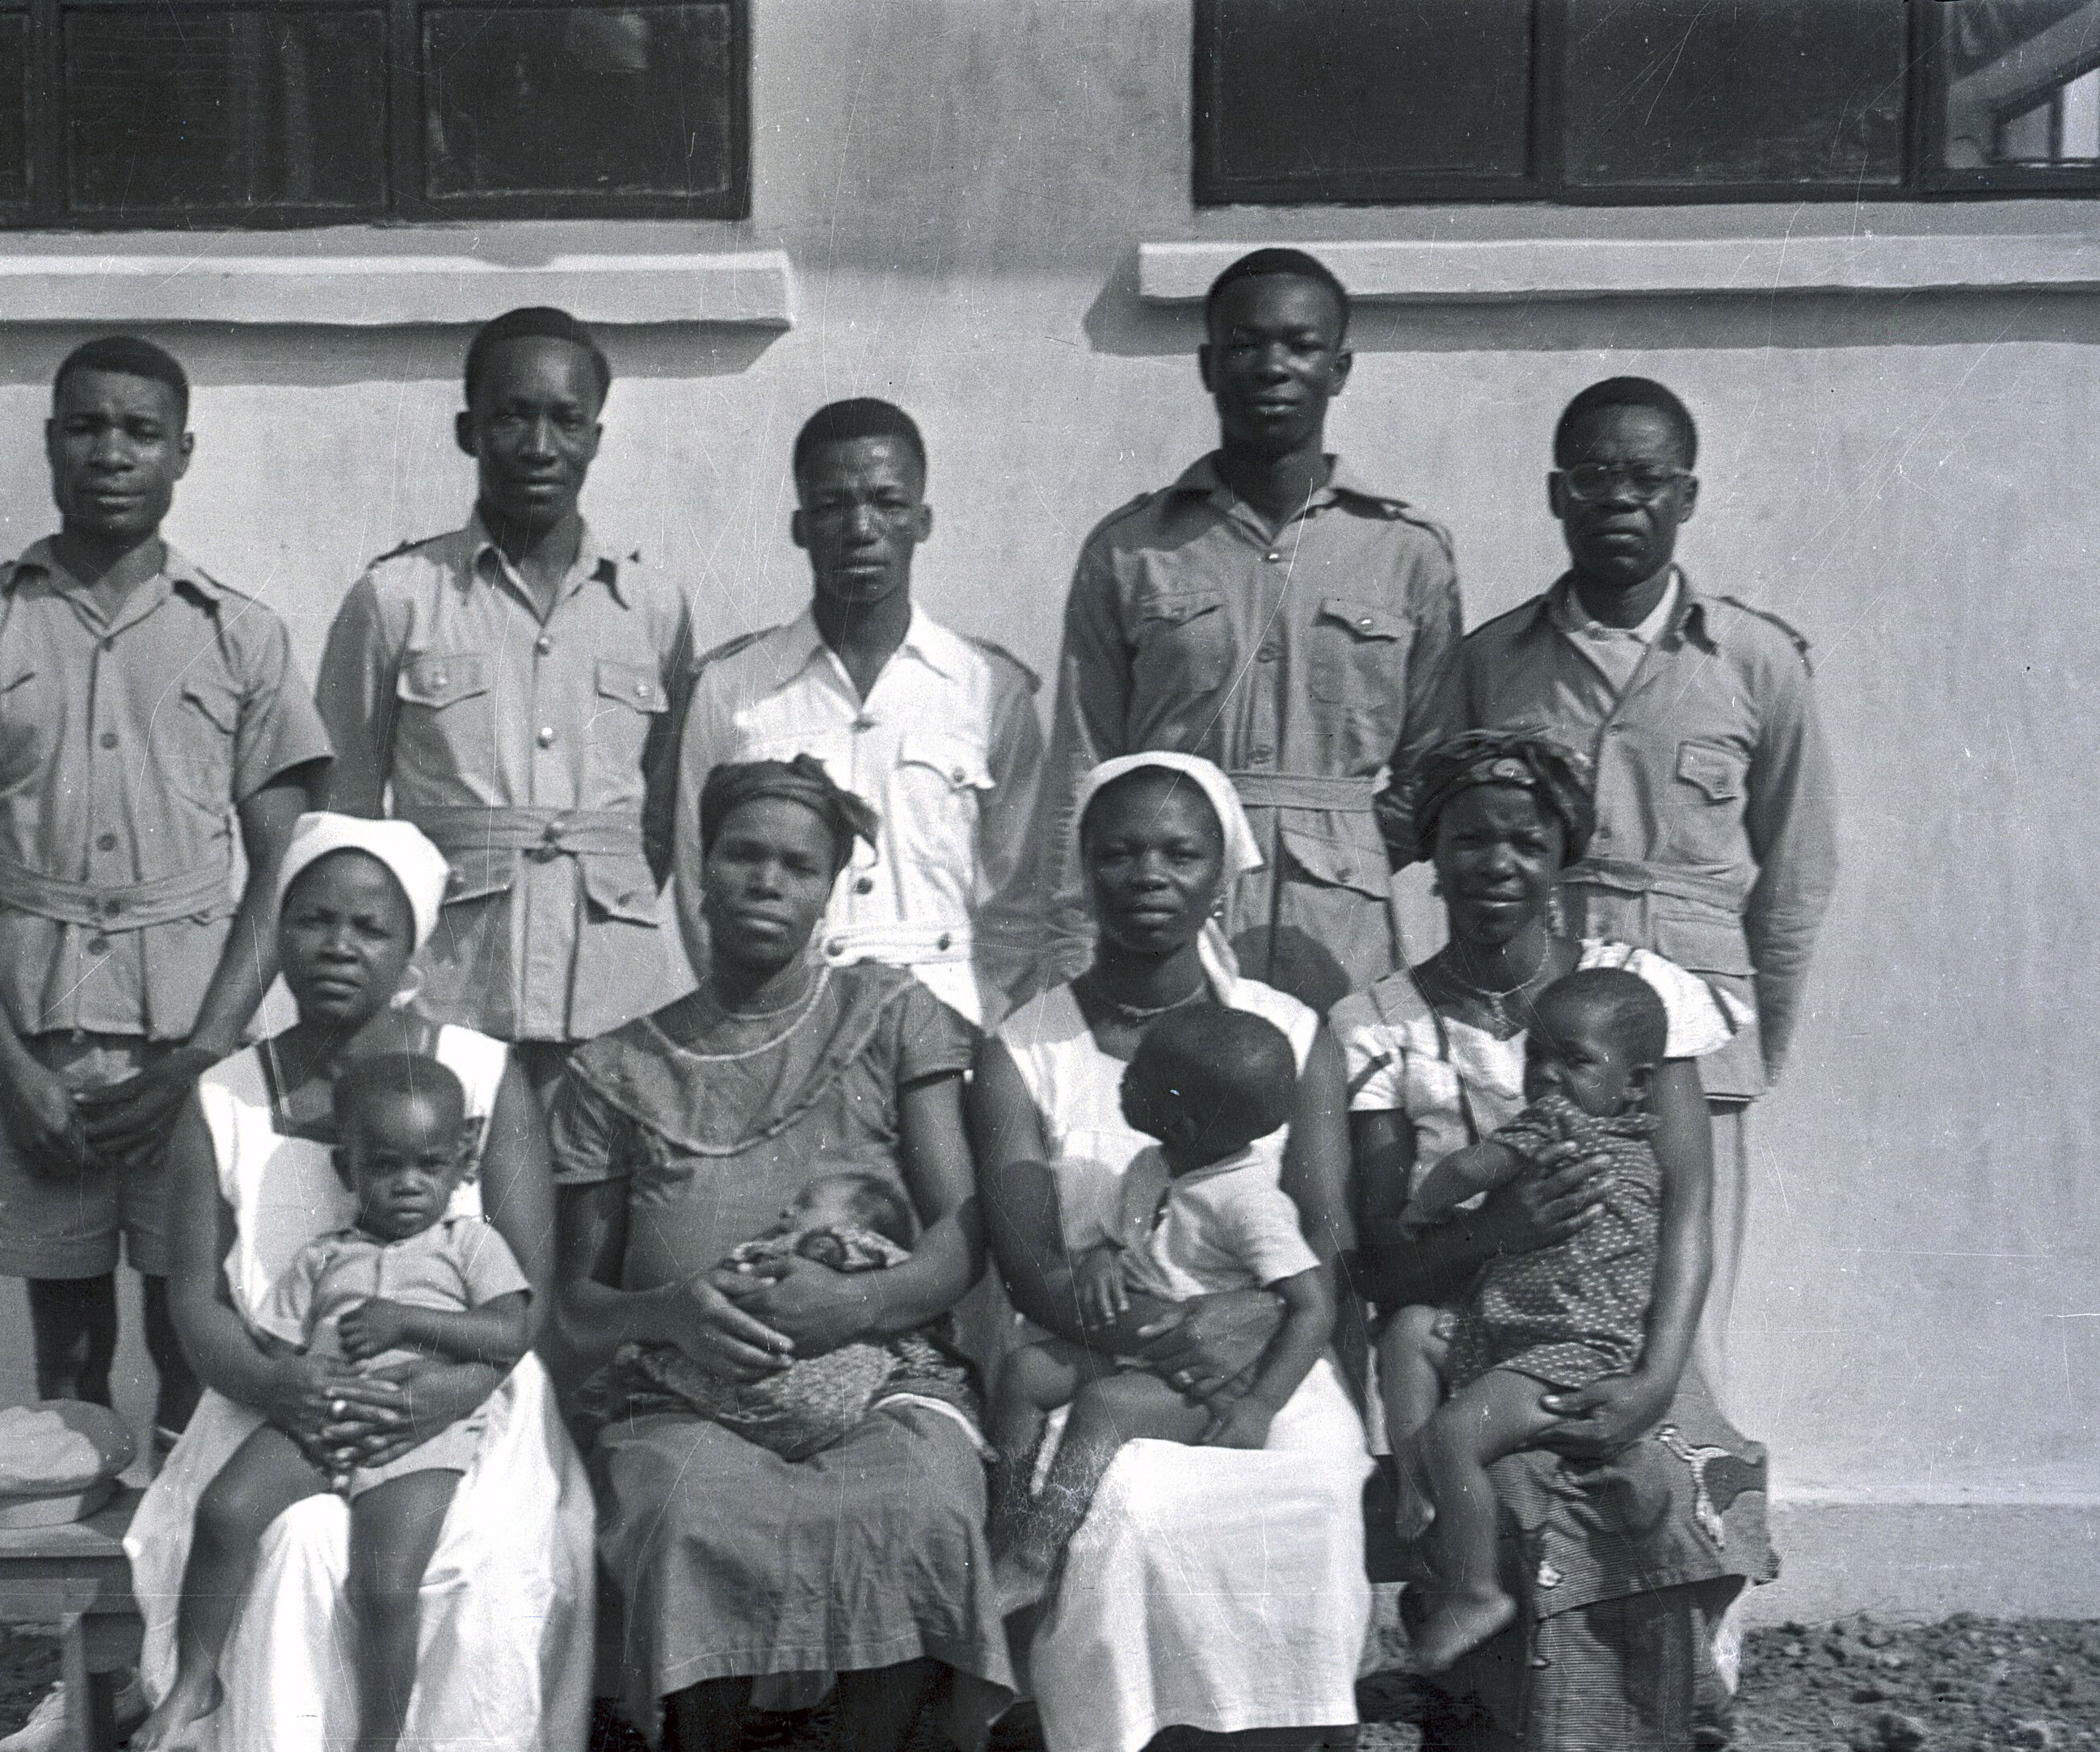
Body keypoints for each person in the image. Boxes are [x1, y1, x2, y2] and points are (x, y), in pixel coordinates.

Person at [124, 815, 594, 1752]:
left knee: (482, 1555)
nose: (338, 942)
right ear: (275, 933)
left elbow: (522, 1305)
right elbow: (196, 1303)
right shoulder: (223, 1095)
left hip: (463, 1398)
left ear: (413, 948)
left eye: (368, 924)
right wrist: (285, 1382)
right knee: (279, 1547)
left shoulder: (483, 1077)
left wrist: (427, 1401)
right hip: (272, 1396)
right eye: (312, 917)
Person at [553, 756, 1012, 1752]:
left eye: (796, 864)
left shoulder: (889, 1017)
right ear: (696, 871)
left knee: (920, 1499)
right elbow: (574, 1300)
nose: (766, 880)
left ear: (833, 886)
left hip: (878, 1367)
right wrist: (667, 1312)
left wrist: (855, 1309)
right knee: (681, 1502)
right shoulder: (614, 1066)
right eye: (741, 854)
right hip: (681, 1387)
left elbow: (964, 1239)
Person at [0, 334, 325, 1462]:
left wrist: (205, 1054)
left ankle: (169, 1628)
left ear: (182, 453)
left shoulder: (240, 634)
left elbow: (287, 861)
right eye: (85, 427)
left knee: (194, 1338)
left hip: (192, 1047)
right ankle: (77, 1621)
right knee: (66, 1361)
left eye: (138, 431)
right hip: (42, 1046)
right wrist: (6, 1060)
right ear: (50, 444)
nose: (110, 453)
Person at [1334, 731, 1774, 1752]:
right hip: (1454, 1327)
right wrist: (1499, 1226)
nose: (1496, 860)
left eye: (1525, 839)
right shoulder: (1377, 1024)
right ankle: (1472, 1746)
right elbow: (1384, 1258)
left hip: (1615, 1331)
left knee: (1655, 1472)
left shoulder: (1632, 1000)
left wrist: (1659, 1372)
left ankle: (1627, 1748)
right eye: (1469, 835)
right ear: (1428, 851)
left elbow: (1685, 1208)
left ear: (1563, 854)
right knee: (1493, 1472)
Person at [970, 752, 1367, 1752]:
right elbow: (1032, 1257)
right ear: (1082, 870)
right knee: (1113, 1505)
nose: (1149, 874)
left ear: (1224, 873)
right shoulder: (1024, 1044)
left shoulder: (1288, 1033)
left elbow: (1322, 1236)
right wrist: (1163, 1334)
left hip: (1264, 1368)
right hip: (1100, 1353)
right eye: (1120, 849)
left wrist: (1243, 1348)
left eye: (1180, 851)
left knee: (1315, 1496)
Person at [1453, 376, 1837, 1406]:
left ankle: (1697, 1549)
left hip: (1693, 1034)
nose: (1617, 500)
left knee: (1683, 1314)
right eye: (1592, 478)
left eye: (1645, 480)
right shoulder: (1495, 660)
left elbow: (1794, 879)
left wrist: (1752, 1044)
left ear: (1687, 496)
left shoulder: (1757, 661)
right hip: (1542, 1034)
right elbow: (1445, 837)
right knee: (1529, 1299)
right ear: (1554, 494)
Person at [130, 1052, 533, 1752]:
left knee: (387, 1584)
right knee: (225, 1509)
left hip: (419, 1437)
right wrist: (295, 1381)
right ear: (349, 1168)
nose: (408, 1184)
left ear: (461, 1162)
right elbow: (273, 1346)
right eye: (385, 1167)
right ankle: (196, 1675)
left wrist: (408, 1325)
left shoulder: (470, 1246)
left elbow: (508, 1333)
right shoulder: (322, 1256)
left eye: (429, 1165)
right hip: (322, 1425)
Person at [1053, 248, 1463, 1012]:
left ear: (1338, 368)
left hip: (1341, 930)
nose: (1272, 367)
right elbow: (1084, 767)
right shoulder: (1131, 549)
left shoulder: (1406, 552)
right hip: (1169, 920)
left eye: (1301, 346)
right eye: (1244, 346)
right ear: (1209, 366)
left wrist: (1344, 843)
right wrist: (1072, 956)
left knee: (1336, 1121)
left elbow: (1435, 776)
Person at [320, 307, 697, 1089]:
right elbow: (344, 817)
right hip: (452, 991)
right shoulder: (397, 598)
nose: (538, 447)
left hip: (610, 997)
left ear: (596, 437)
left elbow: (661, 817)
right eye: (511, 418)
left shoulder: (651, 609)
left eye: (566, 421)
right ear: (468, 431)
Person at [671, 398, 1071, 1025]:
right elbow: (701, 883)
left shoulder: (987, 686)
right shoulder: (731, 687)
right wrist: (752, 1020)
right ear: (800, 526)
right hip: (789, 1019)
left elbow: (1025, 884)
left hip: (947, 1017)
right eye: (832, 506)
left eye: (887, 502)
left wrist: (984, 1018)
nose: (861, 528)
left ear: (923, 519)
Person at [985, 1004, 1336, 1617]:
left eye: (1138, 1076)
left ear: (1183, 1117)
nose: (1122, 1079)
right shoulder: (1152, 1165)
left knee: (1101, 1407)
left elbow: (1311, 1305)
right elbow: (1124, 1241)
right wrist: (1098, 1261)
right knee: (1021, 1373)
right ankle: (1008, 1521)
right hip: (1140, 1346)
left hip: (1206, 1378)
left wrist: (1257, 1407)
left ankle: (1036, 1556)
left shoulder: (1249, 1201)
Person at [1391, 968, 1673, 1674]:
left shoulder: (1557, 1125)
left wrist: (1423, 1206)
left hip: (1566, 1350)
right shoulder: (1637, 1146)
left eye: (1573, 1060)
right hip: (1520, 1330)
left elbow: (1464, 1171)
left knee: (1454, 1431)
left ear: (1634, 1085)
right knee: (1409, 1330)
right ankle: (1412, 1482)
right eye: (1534, 1058)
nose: (1547, 1077)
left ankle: (1477, 1589)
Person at [621, 1167, 952, 1463]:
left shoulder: (832, 1243)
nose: (787, 1210)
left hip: (785, 1387)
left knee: (660, 1368)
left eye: (806, 1204)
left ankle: (649, 1370)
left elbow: (860, 1252)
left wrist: (823, 1249)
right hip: (831, 1406)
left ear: (854, 1225)